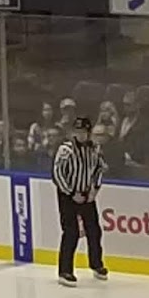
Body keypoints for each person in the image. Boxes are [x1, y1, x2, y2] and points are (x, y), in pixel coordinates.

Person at [51, 114, 107, 285]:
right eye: (78, 131)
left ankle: (96, 264)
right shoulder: (66, 150)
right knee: (71, 232)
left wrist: (94, 189)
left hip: (87, 194)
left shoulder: (94, 149)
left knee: (94, 230)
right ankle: (65, 271)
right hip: (68, 195)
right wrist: (69, 192)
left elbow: (99, 169)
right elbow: (57, 173)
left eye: (84, 131)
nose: (80, 134)